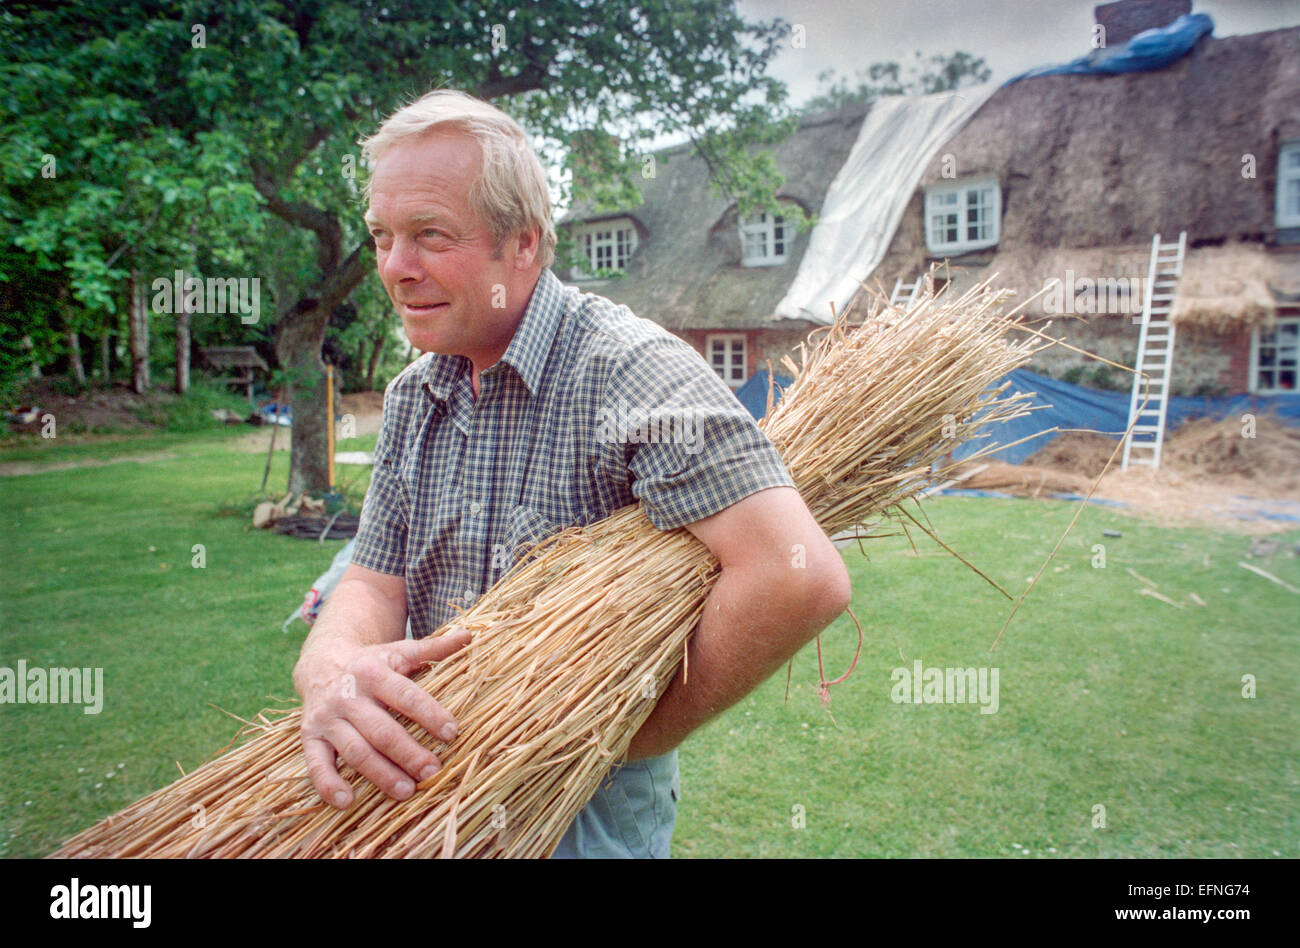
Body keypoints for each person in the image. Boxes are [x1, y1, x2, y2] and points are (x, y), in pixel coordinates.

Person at [291, 90, 850, 858]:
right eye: (382, 235)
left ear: (522, 244)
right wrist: (329, 671)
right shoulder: (415, 394)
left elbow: (796, 575)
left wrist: (618, 730)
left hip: (576, 815)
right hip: (424, 783)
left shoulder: (629, 371)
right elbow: (373, 580)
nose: (395, 267)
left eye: (430, 235)